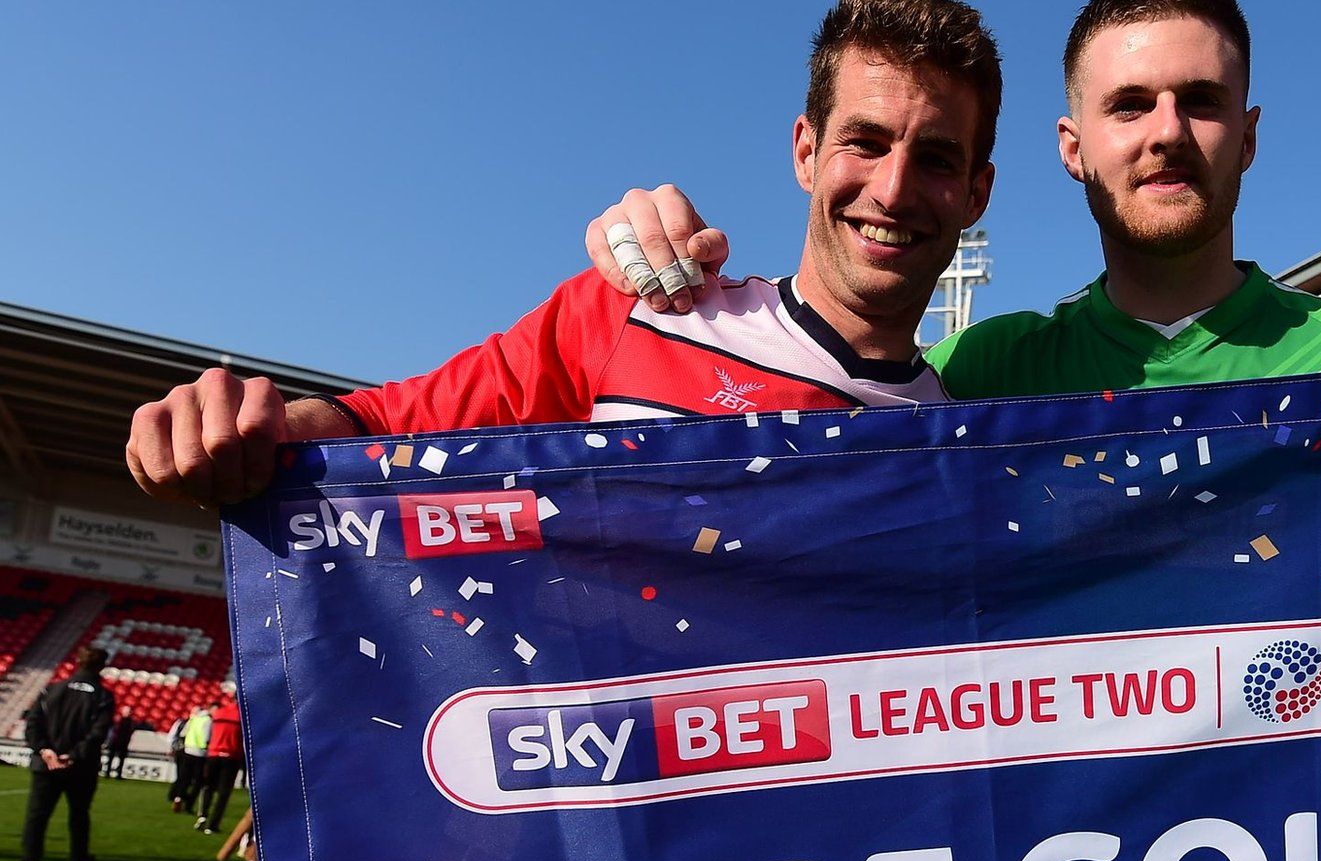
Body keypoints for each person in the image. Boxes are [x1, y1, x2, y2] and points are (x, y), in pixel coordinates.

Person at [570, 0, 1321, 591]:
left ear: (1246, 135)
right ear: (1068, 149)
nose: (1165, 135)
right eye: (1127, 108)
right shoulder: (981, 376)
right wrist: (646, 266)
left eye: (1198, 103)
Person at [127, 0, 1002, 493]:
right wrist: (233, 428)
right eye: (866, 142)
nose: (892, 189)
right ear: (807, 151)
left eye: (934, 159)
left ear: (976, 193)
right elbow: (383, 431)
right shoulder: (641, 309)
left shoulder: (965, 448)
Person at [20, 648, 117, 861]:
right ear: (102, 666)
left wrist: (45, 751)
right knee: (79, 814)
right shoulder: (103, 696)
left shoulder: (52, 689)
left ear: (78, 662)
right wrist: (73, 755)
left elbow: (32, 724)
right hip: (82, 767)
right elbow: (98, 733)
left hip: (46, 765)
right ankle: (77, 858)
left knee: (37, 816)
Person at [193, 688, 244, 835]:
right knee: (223, 793)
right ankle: (212, 824)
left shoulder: (219, 713)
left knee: (208, 787)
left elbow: (208, 734)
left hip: (214, 754)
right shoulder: (242, 716)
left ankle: (202, 815)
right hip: (231, 756)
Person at [170, 703, 212, 814]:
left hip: (188, 750)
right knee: (198, 781)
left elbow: (183, 733)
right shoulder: (207, 721)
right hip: (200, 753)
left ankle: (178, 798)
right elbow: (206, 736)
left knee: (184, 778)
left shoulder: (194, 719)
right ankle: (189, 805)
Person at [101, 708, 140, 779]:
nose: (129, 713)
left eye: (130, 712)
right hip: (115, 741)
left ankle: (119, 774)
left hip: (124, 742)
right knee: (110, 758)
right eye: (128, 712)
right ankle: (107, 772)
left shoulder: (131, 722)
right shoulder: (118, 720)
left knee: (121, 759)